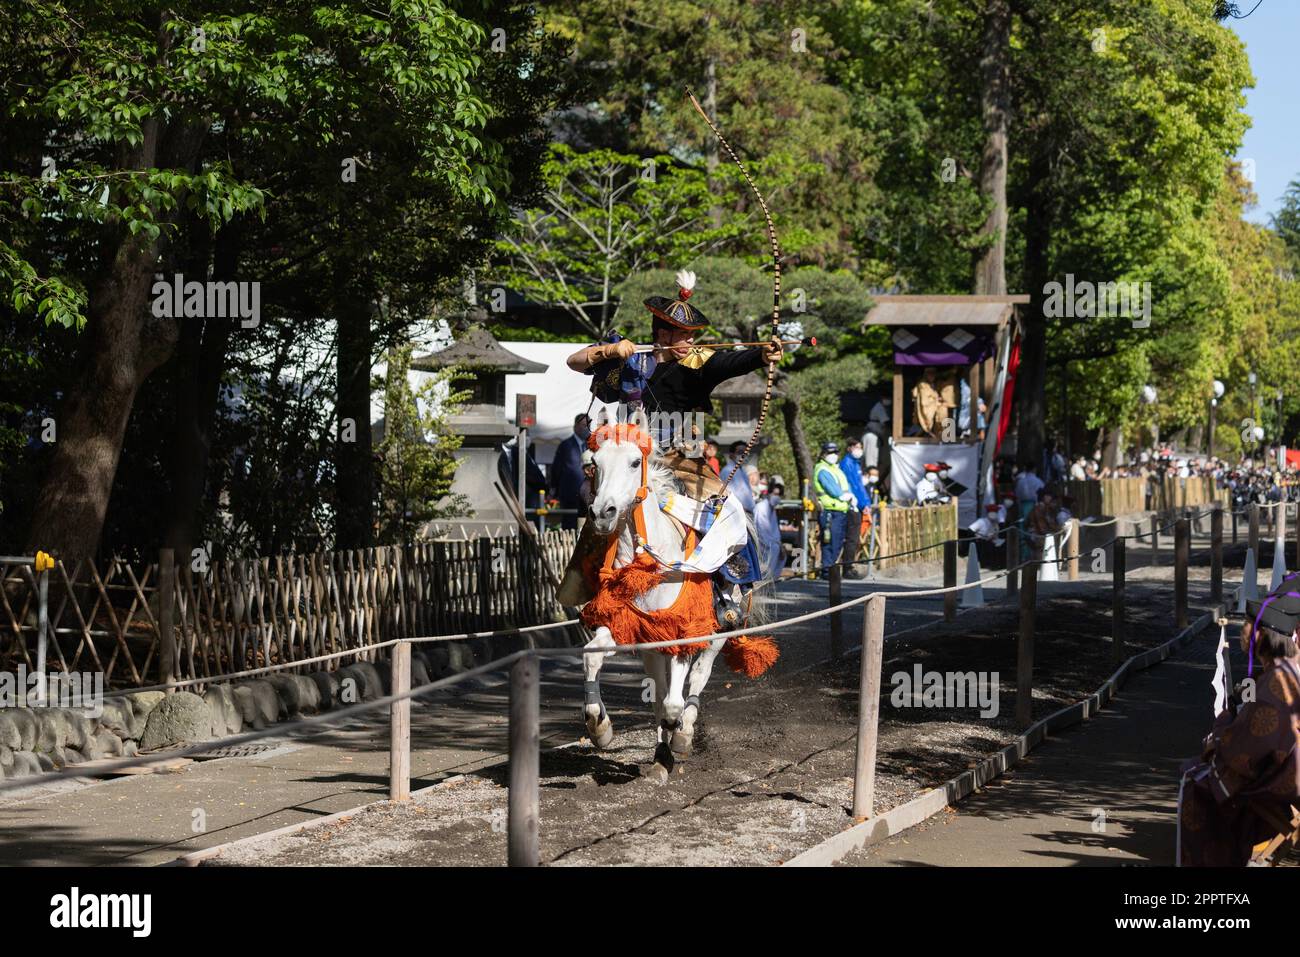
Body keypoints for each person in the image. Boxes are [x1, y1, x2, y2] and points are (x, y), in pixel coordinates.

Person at [558, 267, 782, 606]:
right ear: (662, 334)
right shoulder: (631, 361)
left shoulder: (698, 364)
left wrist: (762, 355)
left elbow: (731, 362)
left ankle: (731, 589)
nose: (691, 341)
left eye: (693, 335)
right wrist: (609, 351)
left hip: (682, 460)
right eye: (684, 334)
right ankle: (588, 588)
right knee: (601, 505)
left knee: (729, 508)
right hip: (631, 458)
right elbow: (573, 361)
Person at [1178, 590, 1300, 866]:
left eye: (1248, 627)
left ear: (1262, 637)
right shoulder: (1288, 672)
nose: (1244, 635)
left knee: (1197, 782)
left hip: (1283, 781)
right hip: (1287, 771)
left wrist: (1218, 737)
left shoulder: (1275, 683)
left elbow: (1245, 748)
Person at [814, 442, 853, 577]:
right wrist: (845, 497)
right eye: (830, 453)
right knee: (830, 542)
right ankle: (827, 571)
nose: (833, 455)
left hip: (840, 510)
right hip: (830, 511)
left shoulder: (835, 469)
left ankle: (830, 569)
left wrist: (851, 497)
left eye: (835, 452)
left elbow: (845, 487)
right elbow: (833, 489)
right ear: (823, 454)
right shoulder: (822, 469)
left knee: (837, 542)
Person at [550, 413, 590, 530]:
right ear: (576, 427)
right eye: (584, 425)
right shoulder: (566, 446)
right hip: (570, 495)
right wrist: (553, 488)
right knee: (569, 526)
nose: (586, 428)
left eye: (588, 425)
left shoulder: (591, 445)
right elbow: (556, 469)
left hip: (587, 496)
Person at [840, 438, 870, 563]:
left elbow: (860, 487)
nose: (860, 450)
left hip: (858, 504)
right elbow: (854, 486)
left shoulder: (855, 463)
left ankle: (848, 565)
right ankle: (847, 566)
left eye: (860, 447)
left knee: (853, 538)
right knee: (851, 538)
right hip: (852, 505)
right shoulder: (847, 463)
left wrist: (866, 502)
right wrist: (863, 504)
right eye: (857, 447)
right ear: (850, 448)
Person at [754, 475, 787, 579]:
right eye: (775, 494)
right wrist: (776, 544)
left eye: (778, 495)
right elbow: (762, 530)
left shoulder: (772, 509)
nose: (777, 497)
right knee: (774, 549)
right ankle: (765, 580)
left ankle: (772, 579)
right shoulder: (761, 507)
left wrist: (779, 543)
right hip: (762, 543)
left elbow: (774, 531)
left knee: (781, 554)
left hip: (772, 542)